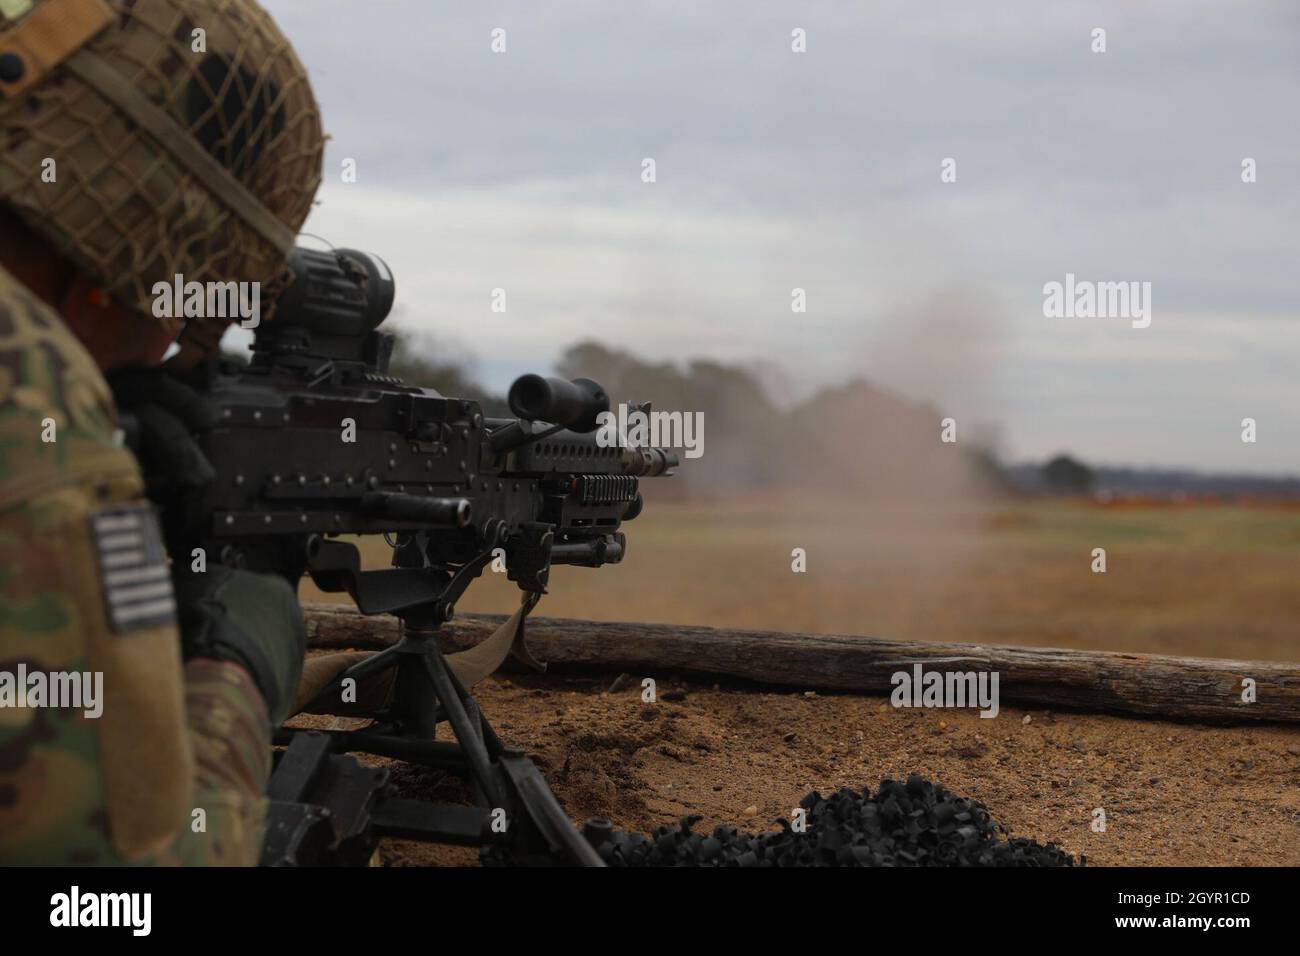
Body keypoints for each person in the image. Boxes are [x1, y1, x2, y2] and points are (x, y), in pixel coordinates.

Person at [0, 0, 324, 865]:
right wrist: (240, 658)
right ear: (136, 261)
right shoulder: (25, 375)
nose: (176, 353)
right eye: (189, 322)